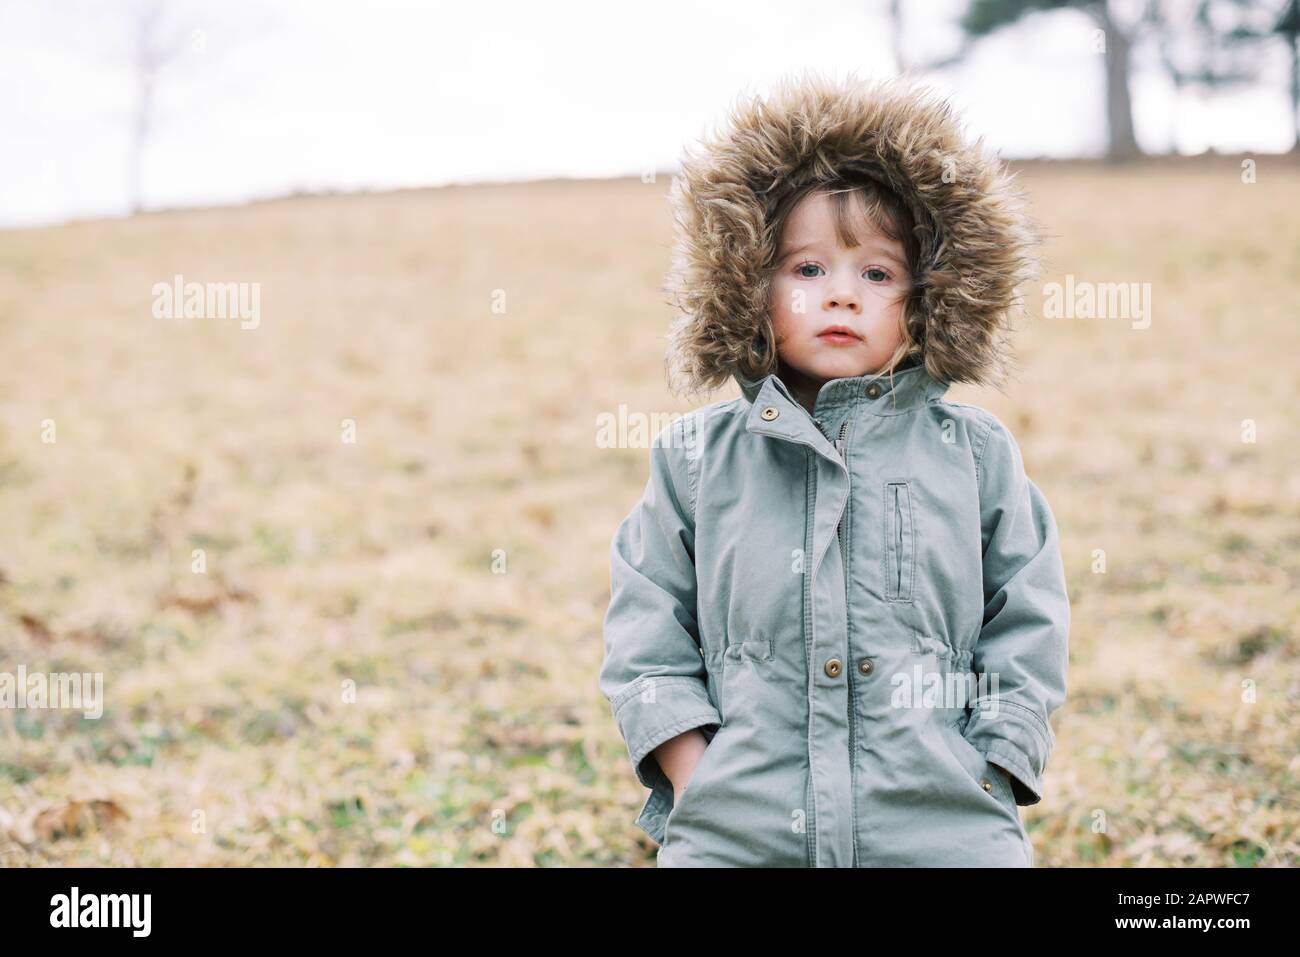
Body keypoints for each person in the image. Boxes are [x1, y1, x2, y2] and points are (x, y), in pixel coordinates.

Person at [599, 71, 1070, 867]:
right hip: (739, 825)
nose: (841, 296)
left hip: (941, 820)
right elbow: (645, 630)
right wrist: (693, 774)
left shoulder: (977, 455)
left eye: (877, 273)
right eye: (807, 269)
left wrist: (994, 764)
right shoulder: (692, 459)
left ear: (929, 298)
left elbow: (1027, 620)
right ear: (748, 282)